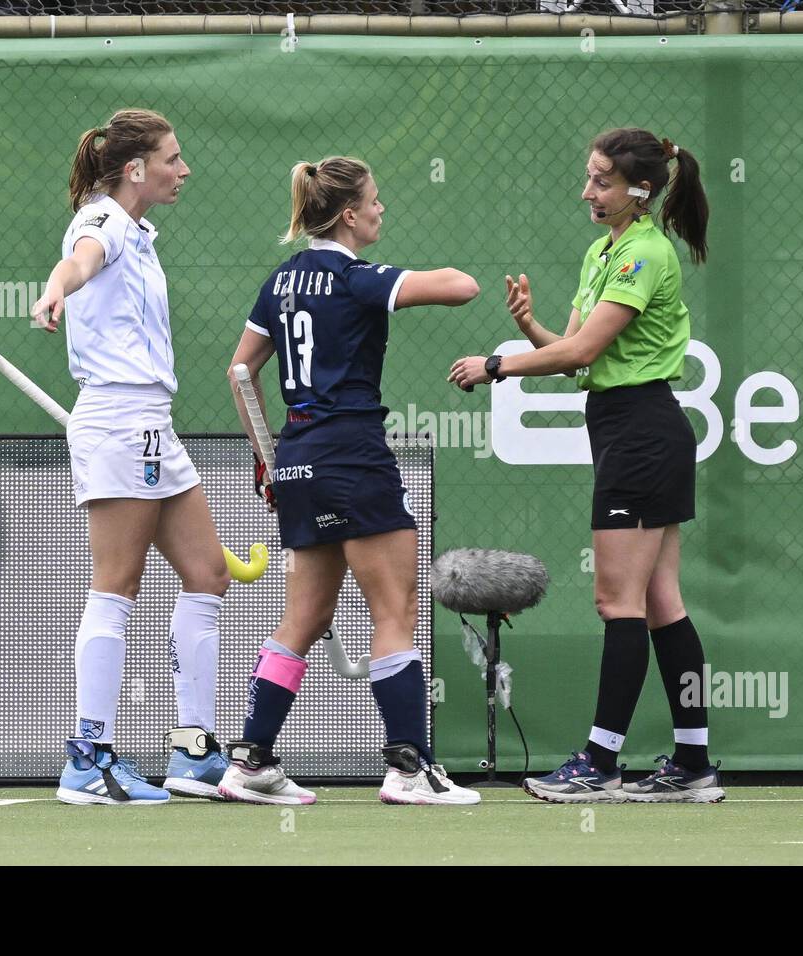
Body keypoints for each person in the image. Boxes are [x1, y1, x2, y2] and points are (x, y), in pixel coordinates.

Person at [449, 128, 724, 804]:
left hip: (642, 434)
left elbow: (580, 356)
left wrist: (497, 365)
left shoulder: (644, 256)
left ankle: (600, 763)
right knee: (660, 603)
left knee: (617, 602)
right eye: (589, 177)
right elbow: (574, 348)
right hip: (628, 431)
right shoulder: (602, 251)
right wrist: (531, 329)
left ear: (641, 190)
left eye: (601, 181)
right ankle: (693, 765)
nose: (588, 192)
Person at [222, 156, 482, 806]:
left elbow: (239, 371)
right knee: (393, 612)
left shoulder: (281, 280)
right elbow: (463, 286)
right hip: (354, 455)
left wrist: (265, 458)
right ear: (347, 214)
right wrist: (389, 282)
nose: (381, 210)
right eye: (374, 201)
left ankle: (250, 761)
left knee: (303, 616)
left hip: (300, 460)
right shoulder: (356, 277)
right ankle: (407, 768)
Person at [30, 109, 232, 805]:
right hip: (118, 417)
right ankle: (89, 757)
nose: (184, 169)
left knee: (207, 573)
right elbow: (80, 259)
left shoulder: (140, 232)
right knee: (116, 585)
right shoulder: (105, 221)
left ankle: (195, 751)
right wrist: (59, 286)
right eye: (173, 159)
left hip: (151, 420)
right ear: (135, 170)